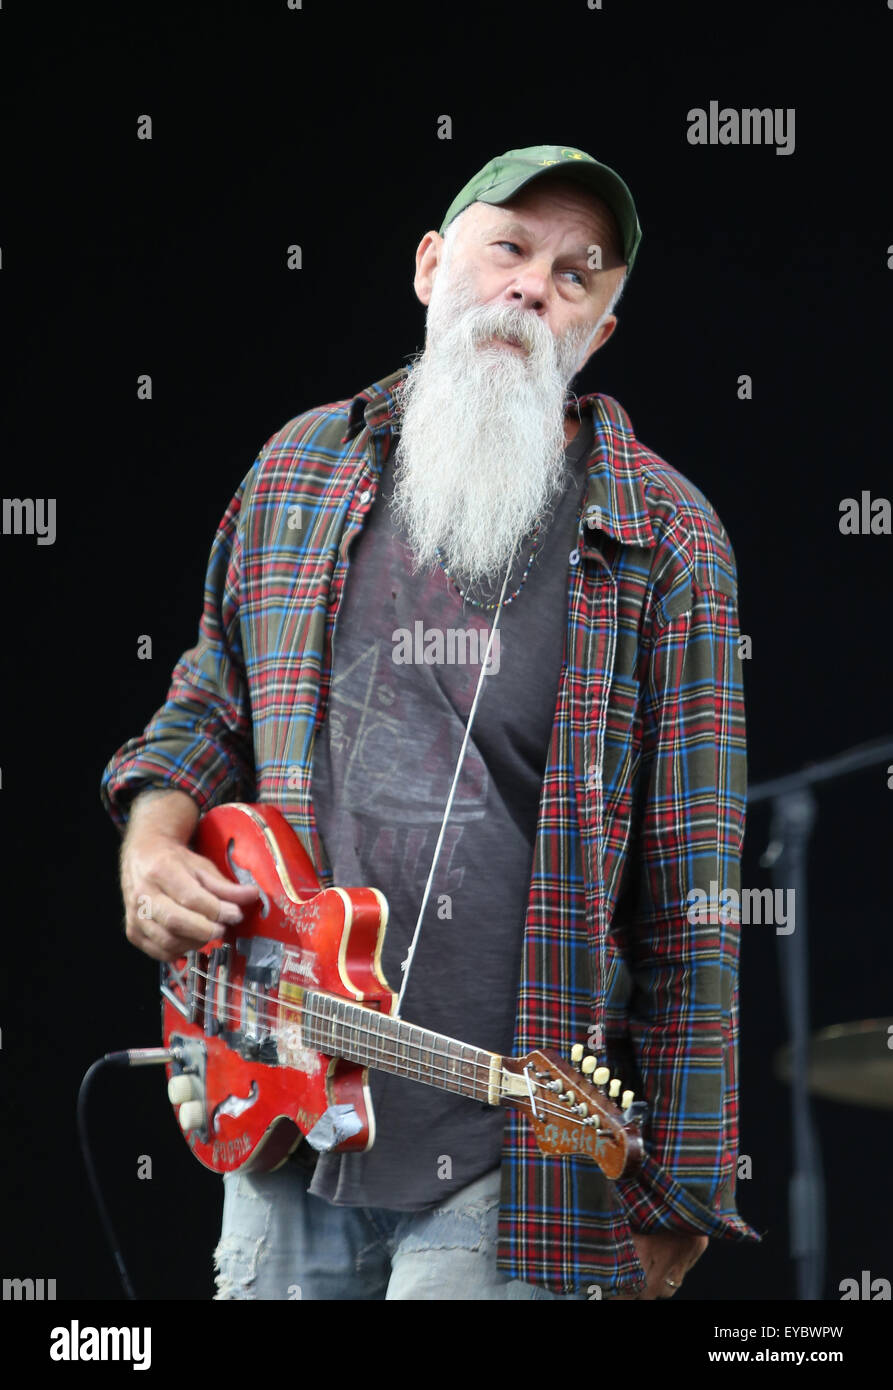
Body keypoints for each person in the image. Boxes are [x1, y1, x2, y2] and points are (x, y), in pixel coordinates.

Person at [101, 144, 760, 1300]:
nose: (531, 287)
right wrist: (152, 842)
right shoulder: (297, 469)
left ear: (597, 332)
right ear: (428, 266)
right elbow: (208, 699)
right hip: (280, 1107)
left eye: (574, 276)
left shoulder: (666, 540)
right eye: (508, 247)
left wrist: (682, 1188)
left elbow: (692, 888)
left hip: (516, 1142)